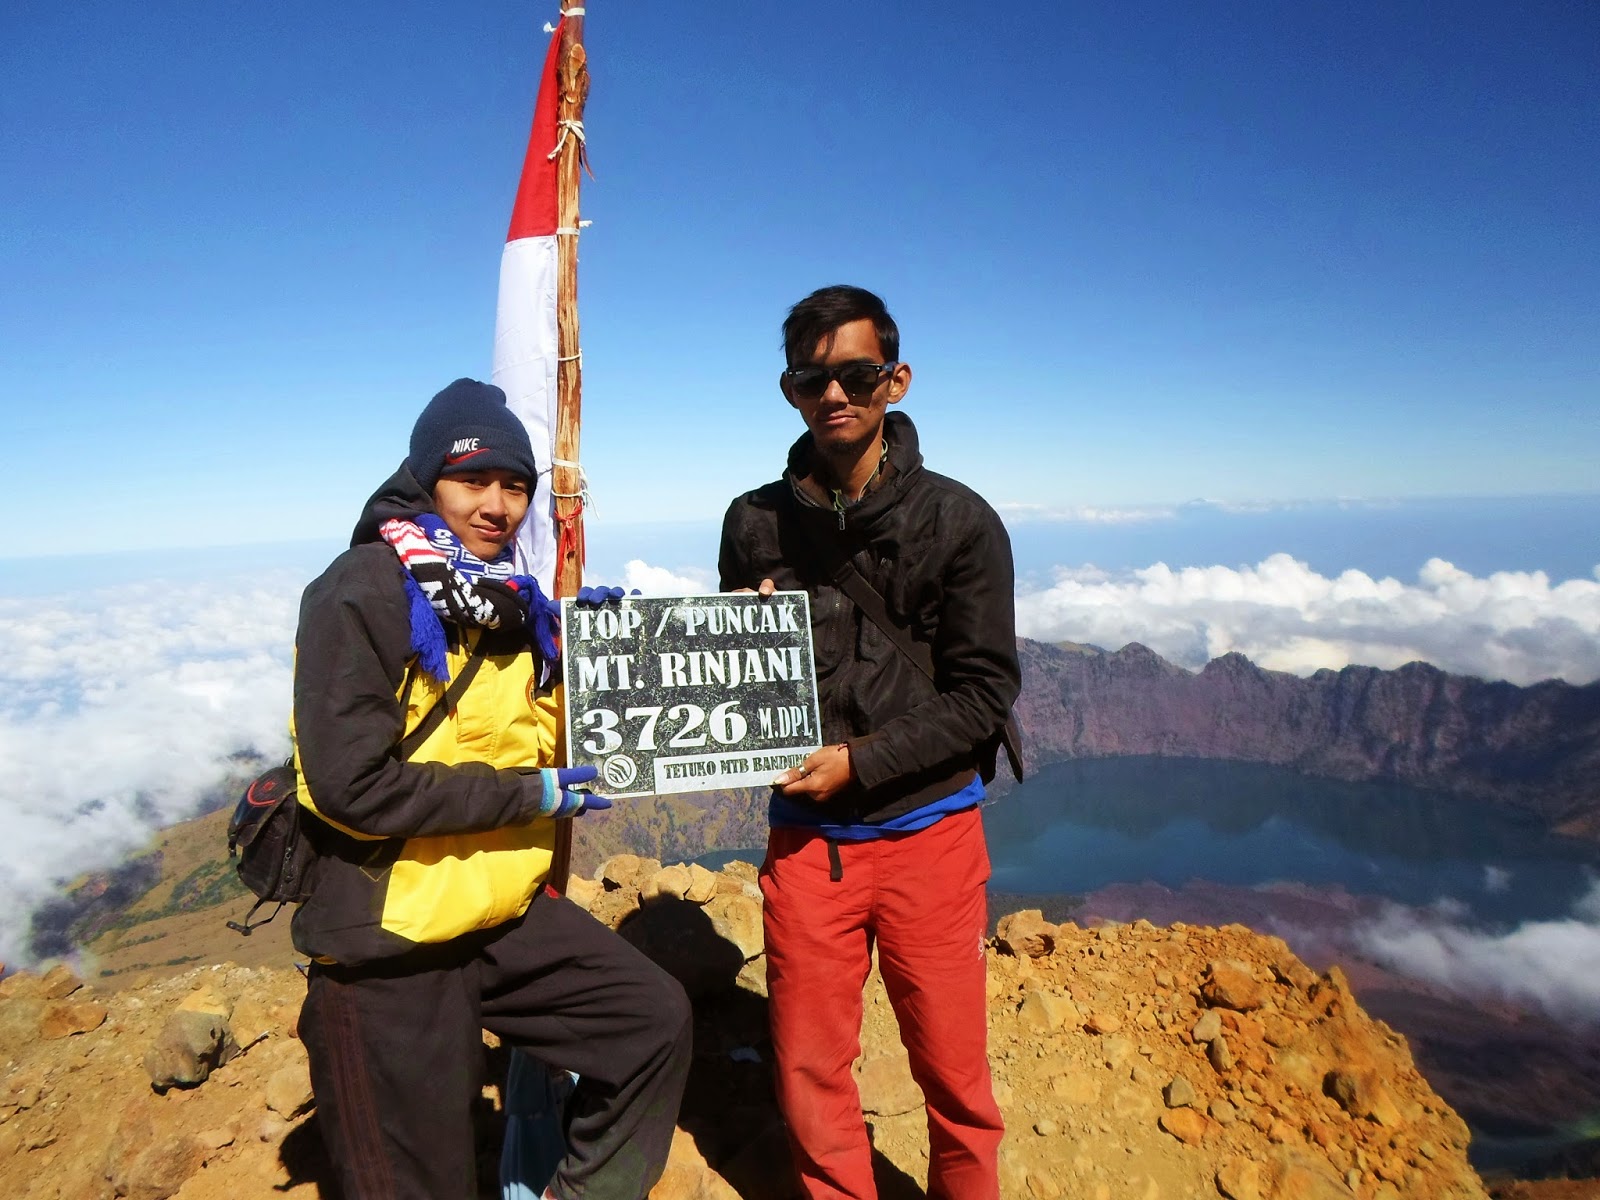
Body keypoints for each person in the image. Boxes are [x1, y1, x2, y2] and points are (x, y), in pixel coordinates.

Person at [291, 378, 691, 1200]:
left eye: (516, 486)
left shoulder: (512, 603)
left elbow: (538, 735)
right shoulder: (363, 589)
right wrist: (532, 796)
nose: (498, 505)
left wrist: (626, 664)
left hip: (496, 916)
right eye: (475, 481)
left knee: (651, 1021)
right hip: (390, 944)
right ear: (426, 480)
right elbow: (351, 787)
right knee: (421, 1182)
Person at [718, 286, 1021, 1199]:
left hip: (929, 836)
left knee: (955, 1080)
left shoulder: (960, 523)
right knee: (810, 1075)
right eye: (812, 378)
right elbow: (734, 692)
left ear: (896, 379)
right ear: (790, 391)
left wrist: (860, 762)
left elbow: (984, 696)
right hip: (810, 850)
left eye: (855, 373)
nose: (834, 394)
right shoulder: (752, 524)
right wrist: (734, 641)